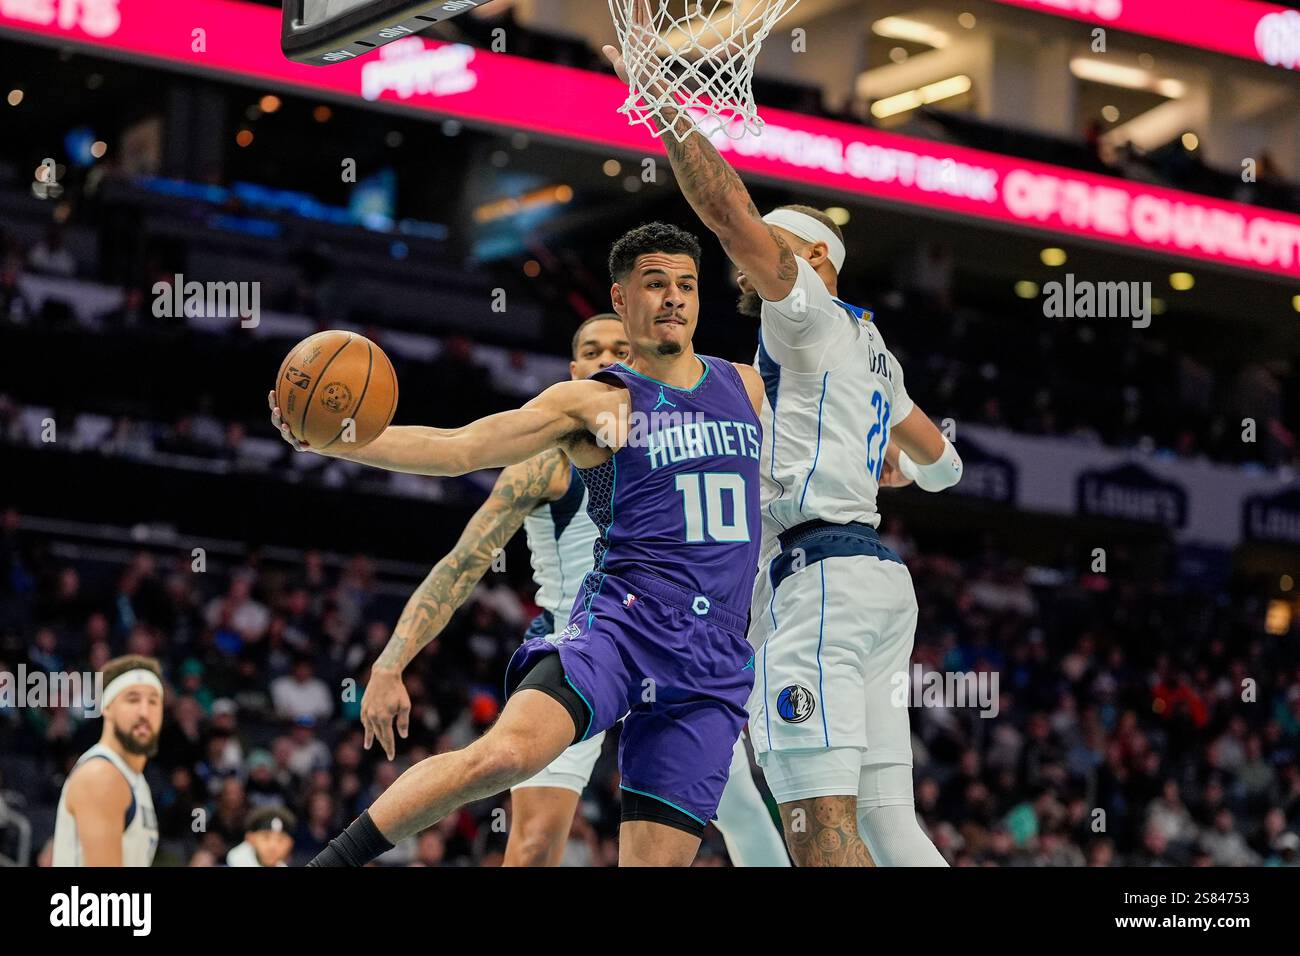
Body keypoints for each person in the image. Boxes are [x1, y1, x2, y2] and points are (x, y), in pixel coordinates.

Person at [273, 221, 768, 867]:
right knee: (504, 757)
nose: (673, 297)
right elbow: (461, 449)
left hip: (714, 657)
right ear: (622, 298)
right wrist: (336, 439)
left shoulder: (748, 387)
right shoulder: (595, 399)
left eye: (686, 284)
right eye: (654, 284)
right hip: (624, 624)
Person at [603, 41, 962, 865]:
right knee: (888, 825)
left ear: (815, 260)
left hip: (821, 585)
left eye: (775, 251)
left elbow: (727, 211)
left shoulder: (806, 311)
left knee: (818, 826)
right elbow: (944, 468)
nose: (752, 263)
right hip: (876, 582)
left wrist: (661, 103)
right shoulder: (876, 354)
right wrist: (877, 459)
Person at [360, 313, 787, 866]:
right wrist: (391, 664)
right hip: (587, 649)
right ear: (573, 372)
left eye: (619, 347)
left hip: (679, 651)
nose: (607, 358)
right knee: (535, 843)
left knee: (744, 815)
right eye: (592, 350)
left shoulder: (682, 432)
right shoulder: (543, 463)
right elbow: (461, 560)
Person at [52, 655, 163, 866]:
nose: (144, 711)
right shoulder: (101, 775)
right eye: (132, 699)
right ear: (107, 708)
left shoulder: (134, 779)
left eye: (153, 701)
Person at [226, 806, 297, 867]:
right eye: (266, 838)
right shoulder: (232, 863)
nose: (273, 846)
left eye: (280, 840)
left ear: (290, 844)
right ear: (250, 839)